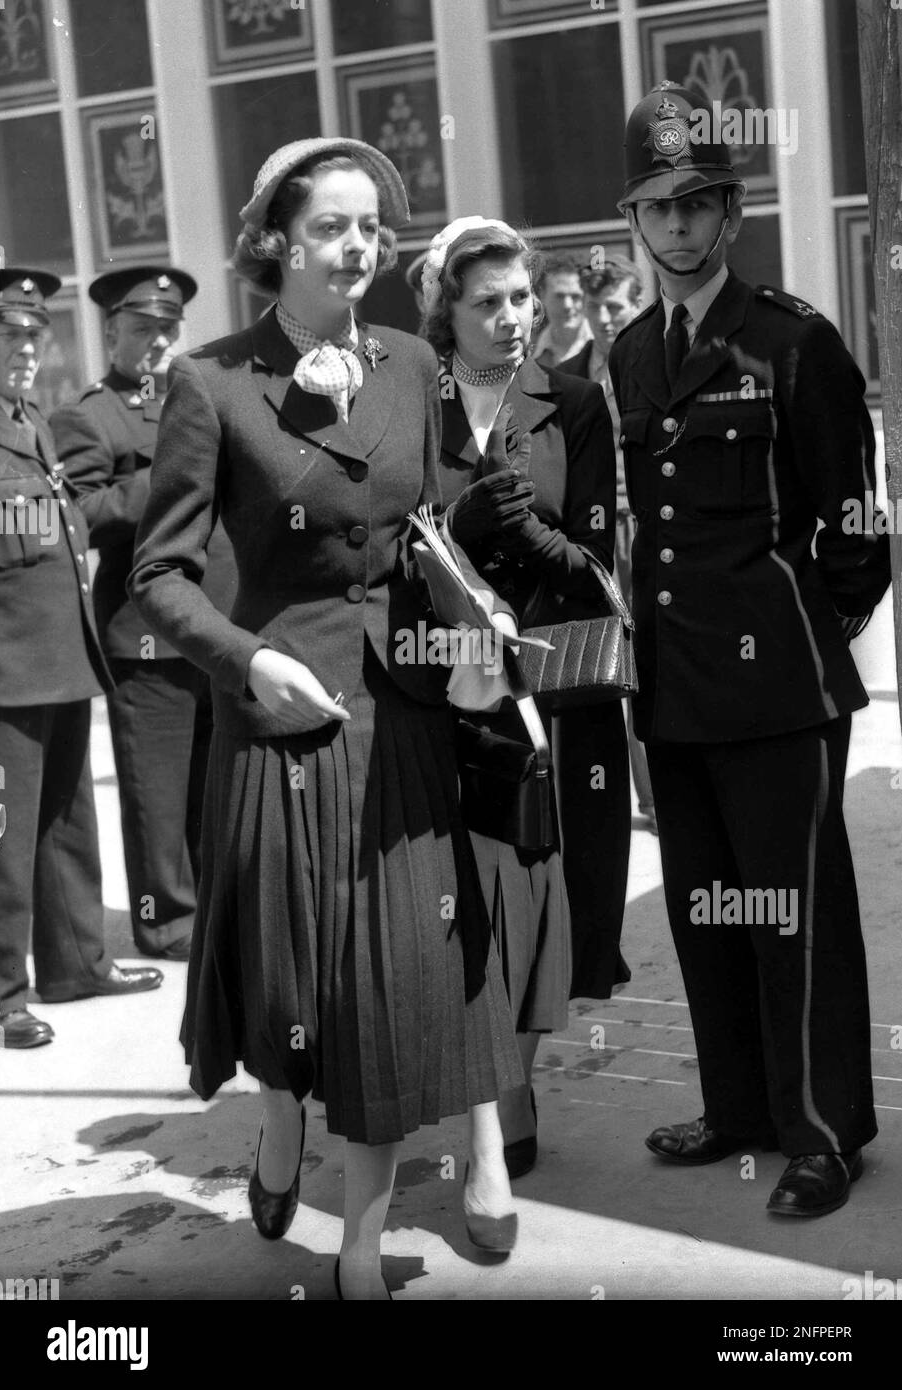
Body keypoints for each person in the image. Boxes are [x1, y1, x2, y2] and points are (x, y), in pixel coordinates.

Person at [129, 138, 523, 1299]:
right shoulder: (212, 382)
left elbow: (425, 525)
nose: (358, 247)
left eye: (371, 228)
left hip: (395, 718)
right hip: (280, 725)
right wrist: (245, 662)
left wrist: (474, 615)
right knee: (293, 983)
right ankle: (279, 1118)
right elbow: (158, 575)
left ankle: (358, 1236)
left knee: (388, 985)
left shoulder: (408, 362)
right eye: (331, 229)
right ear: (276, 245)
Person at [610, 82, 891, 1217]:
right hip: (672, 692)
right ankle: (736, 1109)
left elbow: (856, 526)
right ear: (631, 220)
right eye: (655, 207)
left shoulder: (790, 340)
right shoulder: (628, 355)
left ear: (729, 215)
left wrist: (807, 635)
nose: (676, 227)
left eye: (697, 204)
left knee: (793, 915)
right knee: (704, 909)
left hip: (778, 694)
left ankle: (821, 1130)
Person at [420, 215, 626, 1174]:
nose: (511, 318)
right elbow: (384, 546)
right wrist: (460, 524)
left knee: (560, 899)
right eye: (487, 302)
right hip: (447, 690)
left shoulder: (574, 403)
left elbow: (601, 564)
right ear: (444, 312)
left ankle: (516, 1074)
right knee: (471, 898)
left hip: (555, 688)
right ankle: (498, 1097)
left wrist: (538, 542)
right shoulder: (407, 403)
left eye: (521, 299)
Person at [51, 268, 238, 963]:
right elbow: (83, 514)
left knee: (214, 787)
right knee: (157, 797)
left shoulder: (202, 398)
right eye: (143, 328)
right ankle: (165, 923)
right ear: (110, 331)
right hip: (144, 634)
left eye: (168, 328)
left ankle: (216, 910)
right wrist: (164, 469)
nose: (159, 342)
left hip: (213, 621)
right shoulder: (89, 415)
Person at [0, 268, 162, 1049]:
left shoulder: (27, 421)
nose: (26, 349)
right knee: (4, 834)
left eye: (35, 335)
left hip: (58, 654)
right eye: (8, 334)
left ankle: (76, 965)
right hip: (3, 668)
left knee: (67, 821)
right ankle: (3, 995)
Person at [558, 256, 656, 833]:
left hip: (644, 528)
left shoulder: (654, 364)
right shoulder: (566, 374)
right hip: (589, 536)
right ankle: (605, 800)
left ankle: (658, 796)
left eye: (614, 306)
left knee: (650, 660)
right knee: (601, 668)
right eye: (594, 307)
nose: (602, 318)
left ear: (635, 304)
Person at [532, 256, 591, 368]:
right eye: (559, 296)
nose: (567, 305)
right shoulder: (526, 353)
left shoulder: (604, 346)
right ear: (542, 296)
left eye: (575, 296)